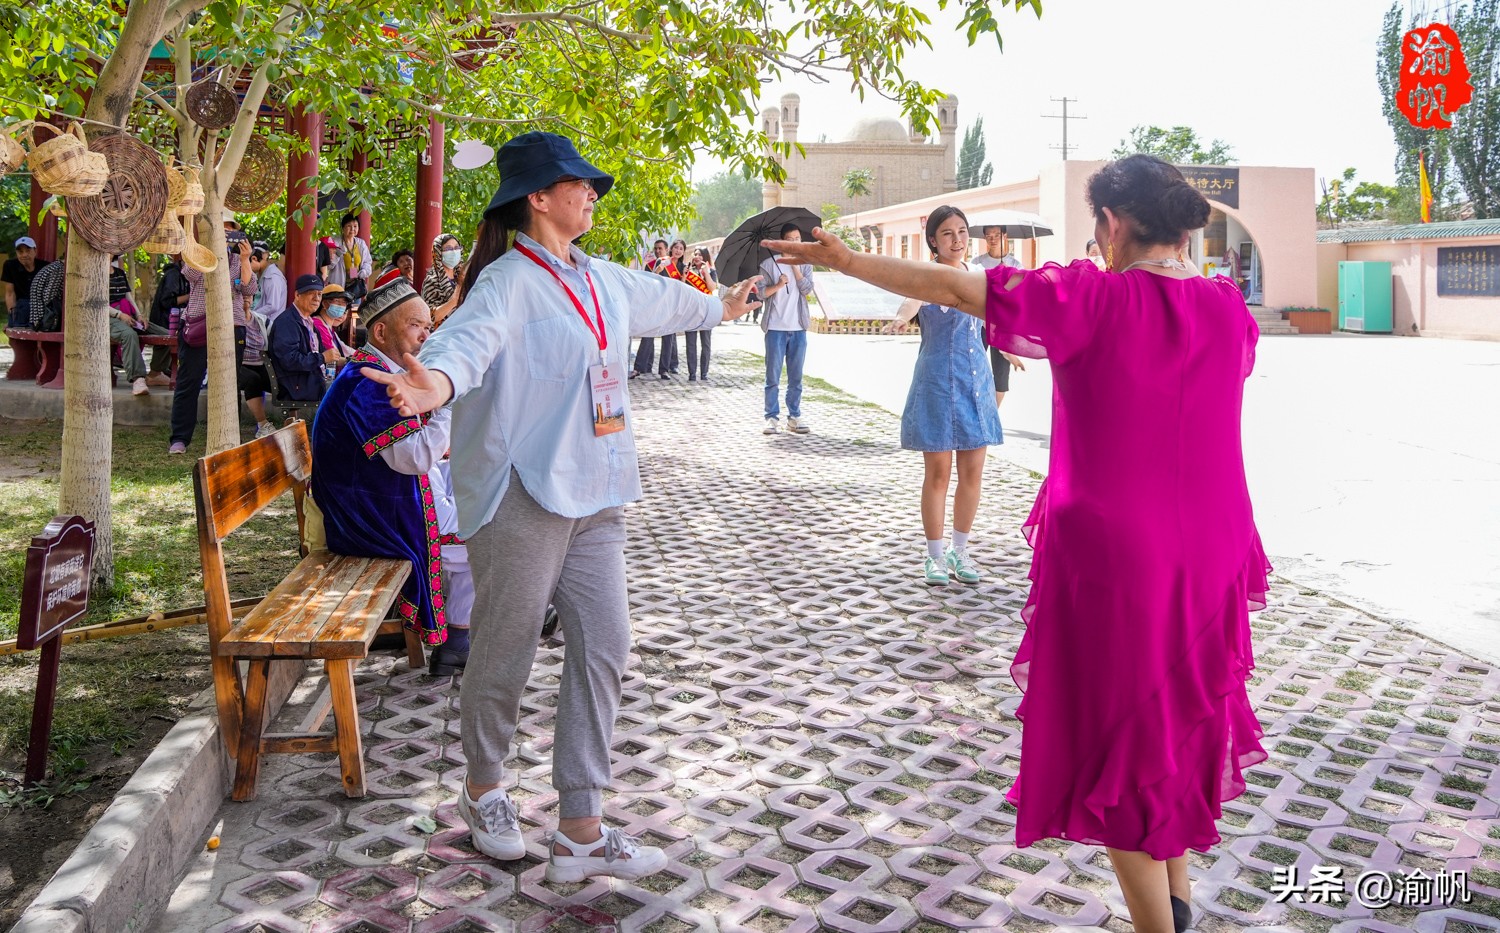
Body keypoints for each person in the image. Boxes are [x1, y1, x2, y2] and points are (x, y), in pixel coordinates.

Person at [765, 154, 1269, 933]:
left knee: (1117, 747)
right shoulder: (1226, 307)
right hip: (1214, 553)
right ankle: (1178, 908)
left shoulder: (1091, 297)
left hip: (1117, 559)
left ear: (1112, 224)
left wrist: (846, 259)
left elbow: (951, 289)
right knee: (1172, 728)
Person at [360, 131, 759, 883]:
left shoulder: (601, 277)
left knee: (606, 645)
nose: (593, 193)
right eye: (580, 182)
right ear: (538, 198)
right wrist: (430, 385)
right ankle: (484, 787)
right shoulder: (506, 283)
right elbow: (463, 348)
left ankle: (579, 824)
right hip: (522, 492)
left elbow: (667, 299)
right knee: (506, 651)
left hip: (597, 492)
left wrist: (724, 304)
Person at [311, 277, 474, 673]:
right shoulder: (368, 382)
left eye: (427, 327)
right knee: (487, 531)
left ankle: (516, 609)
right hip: (371, 516)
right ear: (381, 331)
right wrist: (450, 405)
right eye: (415, 326)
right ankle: (459, 639)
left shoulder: (378, 370)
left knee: (485, 485)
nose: (425, 336)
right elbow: (415, 459)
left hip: (383, 494)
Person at [881, 207, 1003, 586]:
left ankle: (960, 551)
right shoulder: (926, 276)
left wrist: (1012, 346)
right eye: (947, 233)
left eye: (963, 232)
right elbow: (911, 301)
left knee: (972, 474)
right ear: (933, 240)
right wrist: (902, 318)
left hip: (975, 384)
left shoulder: (981, 278)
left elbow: (997, 322)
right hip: (935, 383)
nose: (957, 240)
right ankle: (934, 556)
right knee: (937, 474)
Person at [168, 226, 257, 454]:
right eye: (223, 229)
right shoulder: (199, 252)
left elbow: (248, 288)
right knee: (189, 381)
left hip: (232, 325)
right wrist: (209, 250)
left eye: (231, 231)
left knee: (230, 383)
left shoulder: (237, 259)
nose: (226, 234)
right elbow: (190, 274)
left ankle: (228, 436)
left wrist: (246, 259)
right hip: (199, 323)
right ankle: (179, 438)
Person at [758, 222, 814, 434]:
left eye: (798, 239)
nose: (794, 243)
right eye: (790, 239)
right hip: (775, 328)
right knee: (772, 376)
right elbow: (762, 293)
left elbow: (807, 290)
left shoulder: (806, 263)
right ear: (782, 241)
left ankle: (794, 416)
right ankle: (771, 417)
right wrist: (778, 285)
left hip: (798, 328)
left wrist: (796, 270)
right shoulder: (768, 264)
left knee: (796, 377)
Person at [268, 273, 341, 421]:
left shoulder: (308, 321)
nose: (316, 298)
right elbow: (289, 360)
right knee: (348, 389)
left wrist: (344, 360)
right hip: (296, 385)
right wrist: (322, 357)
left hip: (309, 379)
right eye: (310, 293)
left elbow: (321, 353)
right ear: (297, 295)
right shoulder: (287, 322)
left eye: (319, 294)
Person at [972, 226, 1026, 407]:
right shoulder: (976, 263)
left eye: (996, 235)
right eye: (988, 236)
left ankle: (993, 414)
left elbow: (1019, 295)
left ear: (1005, 236)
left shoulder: (1015, 265)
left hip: (1003, 326)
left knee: (1001, 374)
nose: (992, 239)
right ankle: (977, 410)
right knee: (974, 368)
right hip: (979, 323)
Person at [107, 256, 170, 396]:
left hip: (127, 313)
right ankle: (138, 379)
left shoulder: (119, 272)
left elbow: (128, 296)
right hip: (108, 318)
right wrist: (118, 314)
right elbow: (97, 304)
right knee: (129, 335)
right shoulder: (95, 273)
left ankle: (155, 373)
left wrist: (139, 315)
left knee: (167, 334)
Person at [631, 240, 671, 378]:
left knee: (668, 338)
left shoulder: (673, 266)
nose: (658, 251)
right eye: (656, 249)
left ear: (667, 249)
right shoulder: (650, 266)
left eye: (660, 248)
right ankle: (640, 367)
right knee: (647, 336)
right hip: (654, 306)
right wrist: (656, 271)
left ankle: (664, 369)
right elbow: (647, 285)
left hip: (668, 306)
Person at [148, 253, 190, 386]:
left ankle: (164, 370)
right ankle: (154, 373)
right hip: (163, 320)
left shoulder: (185, 276)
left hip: (175, 320)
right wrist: (191, 295)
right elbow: (166, 302)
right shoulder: (173, 275)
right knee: (168, 338)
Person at [322, 213, 373, 303]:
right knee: (339, 313)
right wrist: (338, 254)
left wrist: (362, 273)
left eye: (355, 226)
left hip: (355, 287)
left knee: (354, 313)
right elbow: (328, 266)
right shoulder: (335, 242)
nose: (352, 229)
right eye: (349, 226)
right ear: (343, 228)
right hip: (338, 286)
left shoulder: (361, 244)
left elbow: (367, 263)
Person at [685, 247, 717, 381]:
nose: (697, 256)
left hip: (706, 310)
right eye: (695, 254)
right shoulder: (688, 271)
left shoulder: (711, 271)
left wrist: (706, 273)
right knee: (691, 343)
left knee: (706, 343)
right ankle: (692, 373)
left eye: (700, 255)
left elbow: (712, 288)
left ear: (705, 257)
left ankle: (704, 373)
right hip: (691, 311)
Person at [421, 233, 465, 327]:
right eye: (448, 249)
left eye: (457, 248)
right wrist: (454, 301)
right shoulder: (432, 280)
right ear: (438, 252)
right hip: (443, 334)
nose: (454, 252)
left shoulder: (462, 277)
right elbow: (430, 316)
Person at [3, 235, 41, 328]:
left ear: (35, 251)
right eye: (20, 252)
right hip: (21, 307)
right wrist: (12, 318)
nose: (24, 255)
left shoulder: (44, 266)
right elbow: (9, 293)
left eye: (28, 251)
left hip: (39, 308)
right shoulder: (10, 266)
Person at [250, 243, 287, 327]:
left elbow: (272, 306)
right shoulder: (263, 274)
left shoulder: (272, 277)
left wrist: (251, 315)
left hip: (270, 326)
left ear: (254, 258)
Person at [27, 256, 65, 330]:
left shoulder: (54, 266)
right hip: (44, 321)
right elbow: (49, 297)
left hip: (37, 319)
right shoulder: (59, 269)